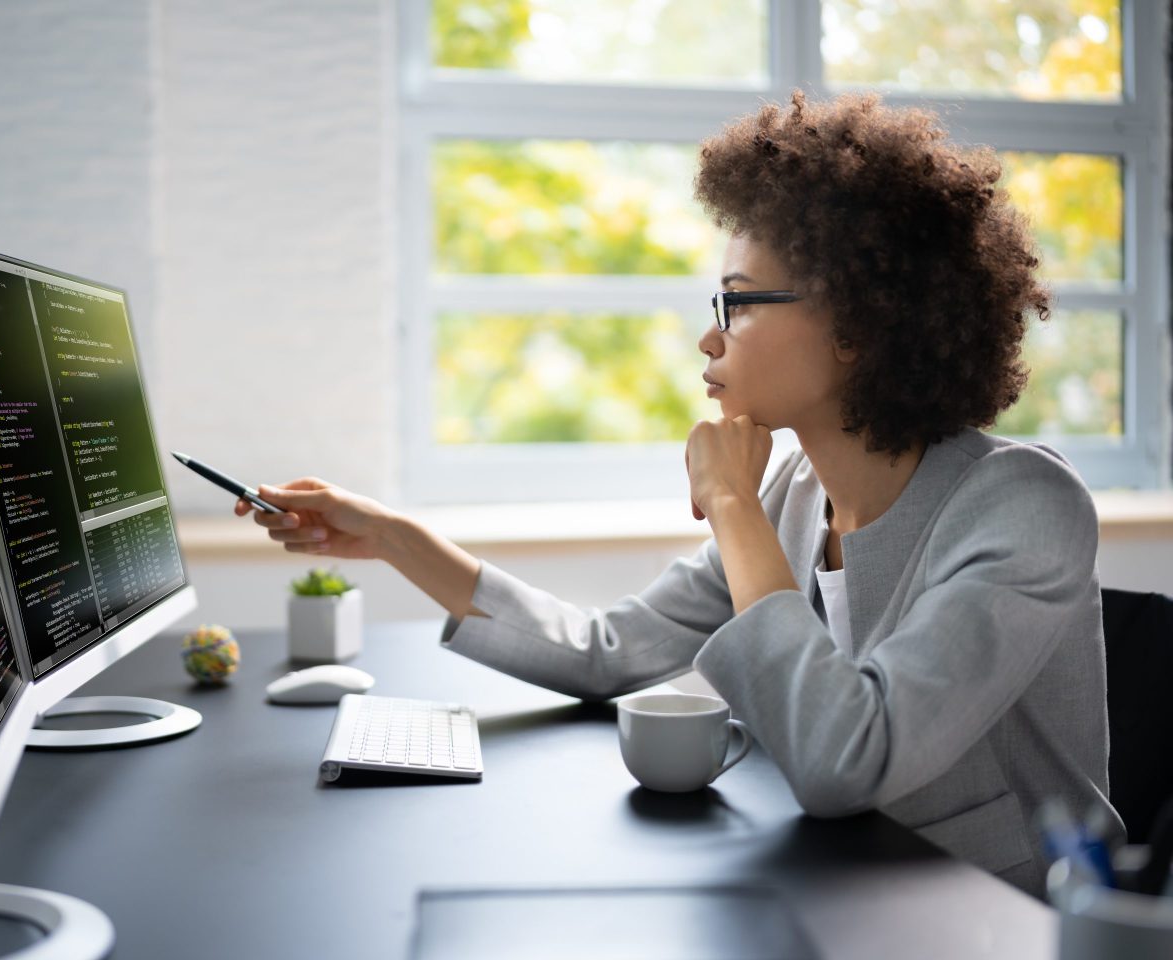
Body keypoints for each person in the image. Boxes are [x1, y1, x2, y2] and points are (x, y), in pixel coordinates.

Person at [235, 90, 1118, 894]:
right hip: (854, 891)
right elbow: (605, 652)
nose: (708, 338)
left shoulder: (1023, 506)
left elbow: (848, 758)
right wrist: (390, 536)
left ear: (855, 324)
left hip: (1011, 917)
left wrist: (732, 506)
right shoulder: (798, 494)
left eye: (738, 303)